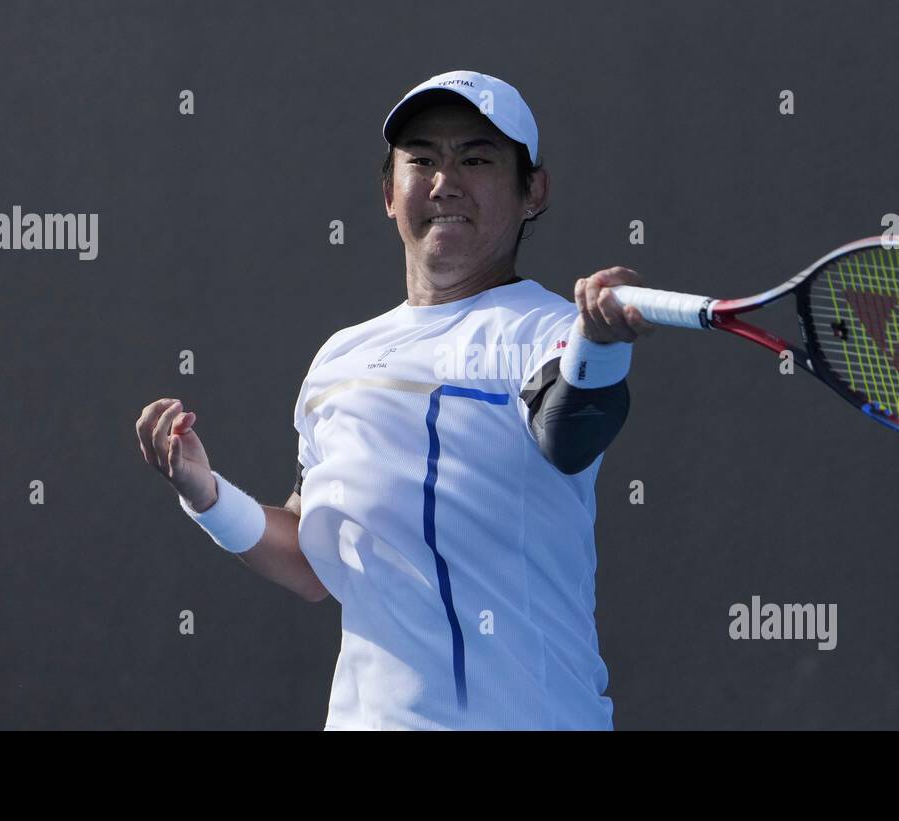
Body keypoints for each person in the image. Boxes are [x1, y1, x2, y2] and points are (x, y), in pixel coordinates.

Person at [135, 70, 654, 729]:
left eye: (476, 158)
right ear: (388, 191)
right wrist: (206, 494)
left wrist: (601, 346)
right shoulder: (339, 361)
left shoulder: (550, 332)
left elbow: (570, 429)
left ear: (534, 191)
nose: (446, 181)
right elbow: (313, 562)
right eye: (423, 159)